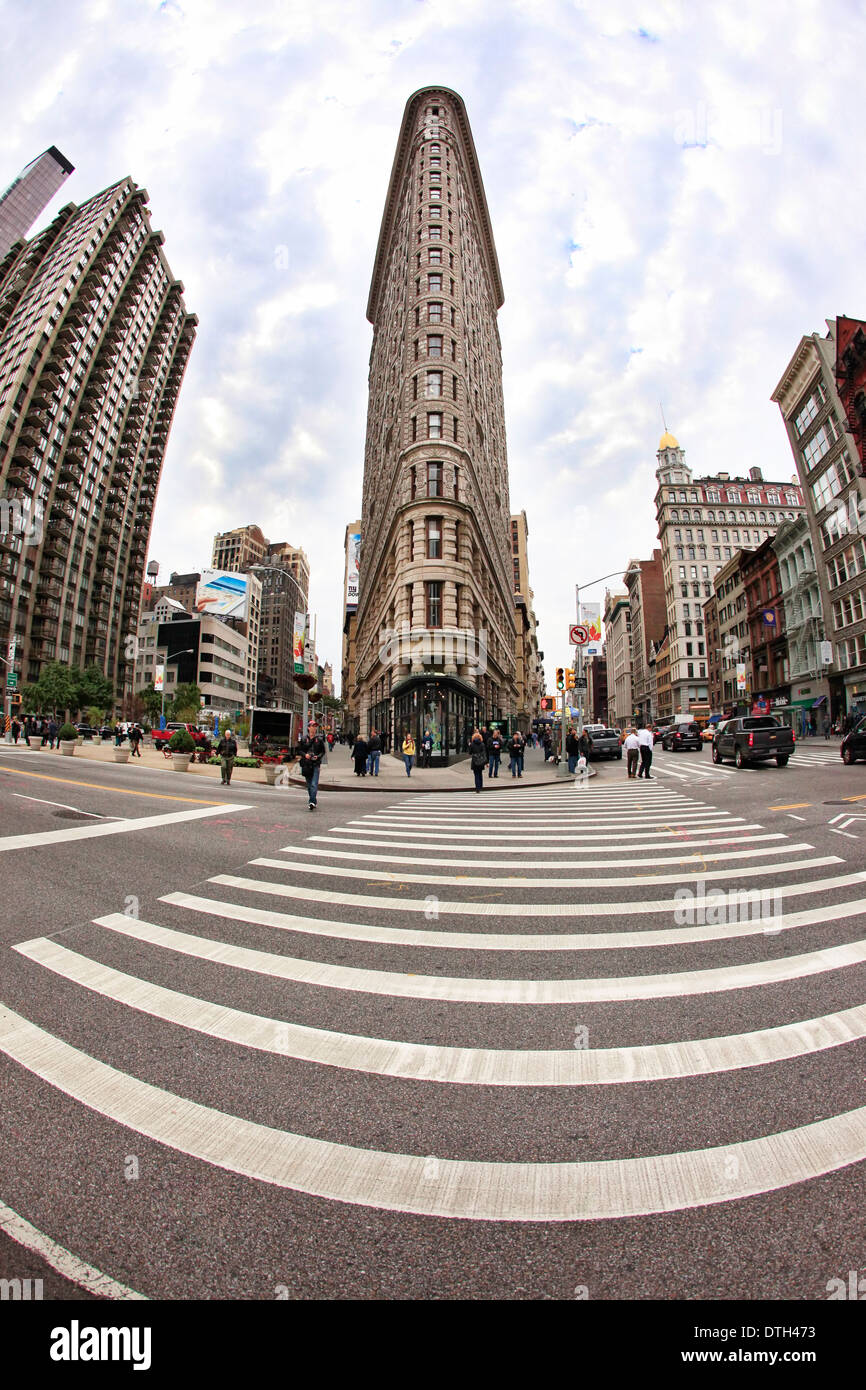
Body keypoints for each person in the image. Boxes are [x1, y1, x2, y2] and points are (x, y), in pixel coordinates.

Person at [298, 720, 327, 808]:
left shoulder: (319, 739)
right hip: (306, 764)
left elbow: (323, 751)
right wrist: (305, 755)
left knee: (314, 784)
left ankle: (311, 802)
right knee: (309, 784)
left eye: (315, 726)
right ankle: (313, 800)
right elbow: (299, 750)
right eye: (312, 726)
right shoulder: (303, 739)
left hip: (315, 764)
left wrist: (318, 757)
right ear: (308, 727)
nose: (314, 728)